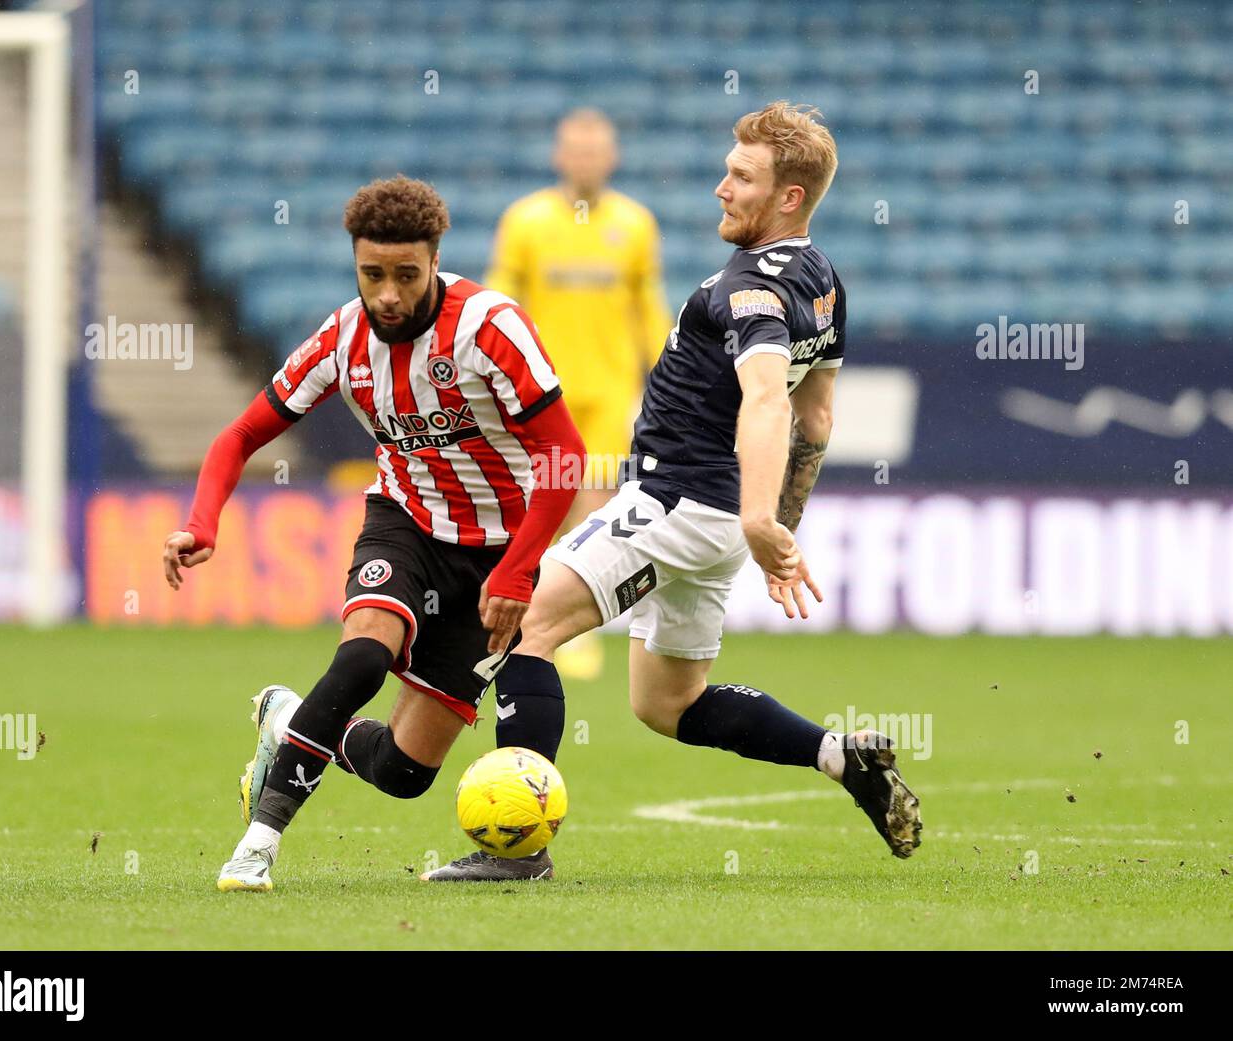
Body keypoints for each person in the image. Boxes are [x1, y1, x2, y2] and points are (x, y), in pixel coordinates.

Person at [423, 102, 921, 883]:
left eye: (742, 176)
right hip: (714, 522)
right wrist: (774, 531)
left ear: (789, 196)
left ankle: (514, 849)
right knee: (668, 703)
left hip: (672, 501)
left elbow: (769, 401)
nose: (721, 187)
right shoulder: (825, 284)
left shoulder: (752, 291)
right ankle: (840, 755)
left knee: (524, 628)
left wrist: (767, 522)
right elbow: (816, 415)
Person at [160, 175, 585, 892]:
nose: (387, 293)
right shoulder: (342, 339)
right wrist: (202, 521)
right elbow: (239, 436)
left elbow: (564, 454)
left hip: (493, 557)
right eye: (372, 274)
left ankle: (288, 719)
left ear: (435, 261)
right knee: (361, 658)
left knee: (404, 772)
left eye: (406, 275)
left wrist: (518, 568)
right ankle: (259, 841)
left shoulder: (490, 327)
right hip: (406, 524)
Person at [485, 108, 672, 679]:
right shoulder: (526, 221)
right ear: (558, 156)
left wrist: (666, 373)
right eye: (576, 149)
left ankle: (565, 631)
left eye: (596, 150)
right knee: (539, 502)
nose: (586, 160)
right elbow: (500, 299)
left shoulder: (635, 224)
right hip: (541, 392)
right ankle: (521, 610)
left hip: (609, 390)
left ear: (611, 158)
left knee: (589, 505)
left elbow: (648, 308)